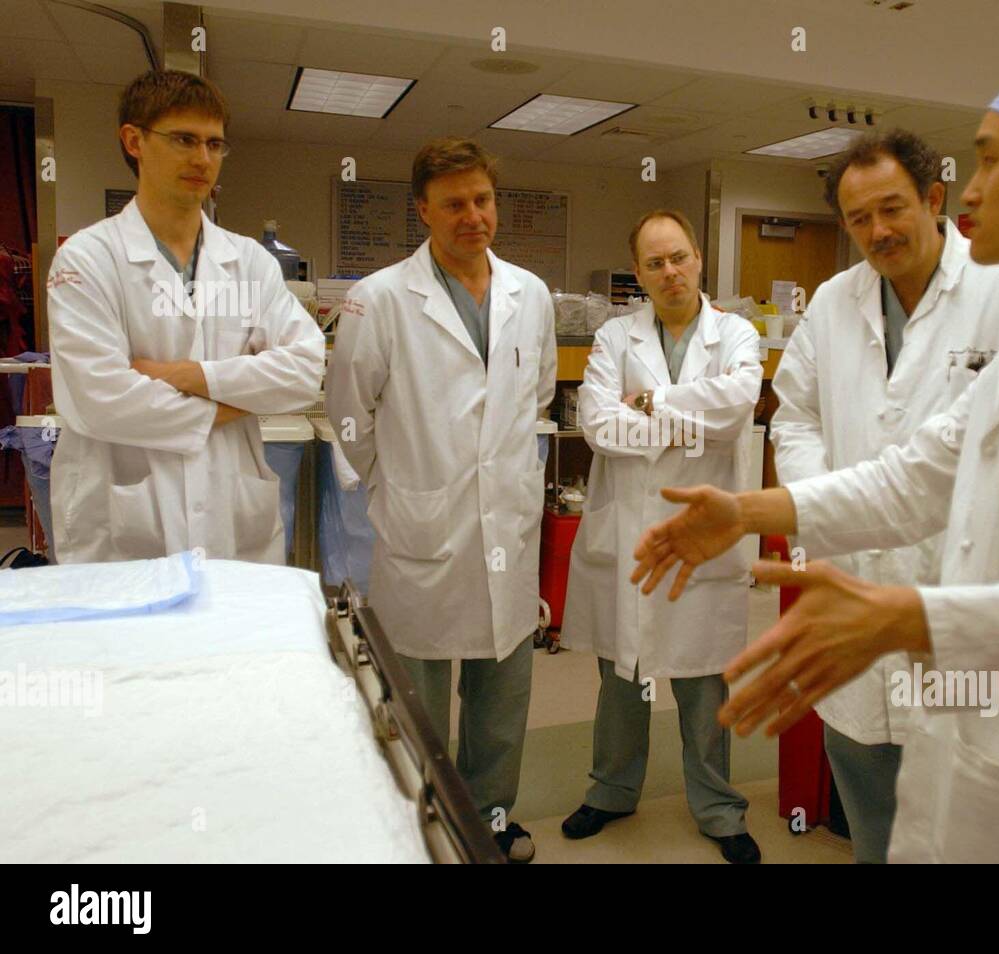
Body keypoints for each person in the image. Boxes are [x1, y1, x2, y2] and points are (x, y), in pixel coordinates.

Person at [631, 50, 999, 863]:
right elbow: (918, 475)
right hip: (979, 756)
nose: (973, 190)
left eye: (991, 159)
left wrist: (905, 618)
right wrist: (749, 511)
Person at [770, 128, 999, 863]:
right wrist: (820, 500)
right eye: (859, 219)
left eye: (892, 209)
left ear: (934, 198)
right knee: (867, 794)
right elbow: (795, 412)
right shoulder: (832, 303)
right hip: (854, 584)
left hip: (960, 593)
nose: (877, 231)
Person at [326, 137, 556, 863]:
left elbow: (538, 395)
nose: (473, 216)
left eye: (482, 199)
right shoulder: (380, 299)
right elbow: (348, 416)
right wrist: (399, 488)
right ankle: (420, 825)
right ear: (422, 209)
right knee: (417, 698)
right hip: (423, 526)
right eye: (454, 203)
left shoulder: (532, 293)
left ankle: (491, 818)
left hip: (507, 527)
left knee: (501, 696)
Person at [48, 70, 325, 565]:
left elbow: (305, 372)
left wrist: (186, 376)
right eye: (183, 140)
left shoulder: (249, 261)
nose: (203, 159)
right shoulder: (87, 259)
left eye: (215, 144)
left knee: (233, 641)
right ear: (133, 140)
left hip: (232, 513)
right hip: (121, 525)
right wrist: (241, 398)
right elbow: (101, 401)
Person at [559, 210, 764, 863]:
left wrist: (648, 405)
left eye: (678, 257)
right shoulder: (616, 337)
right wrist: (685, 417)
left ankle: (719, 808)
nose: (670, 272)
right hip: (628, 534)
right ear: (639, 275)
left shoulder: (735, 333)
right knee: (622, 676)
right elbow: (598, 425)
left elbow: (736, 410)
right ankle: (612, 790)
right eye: (655, 263)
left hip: (700, 533)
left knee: (704, 682)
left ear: (698, 258)